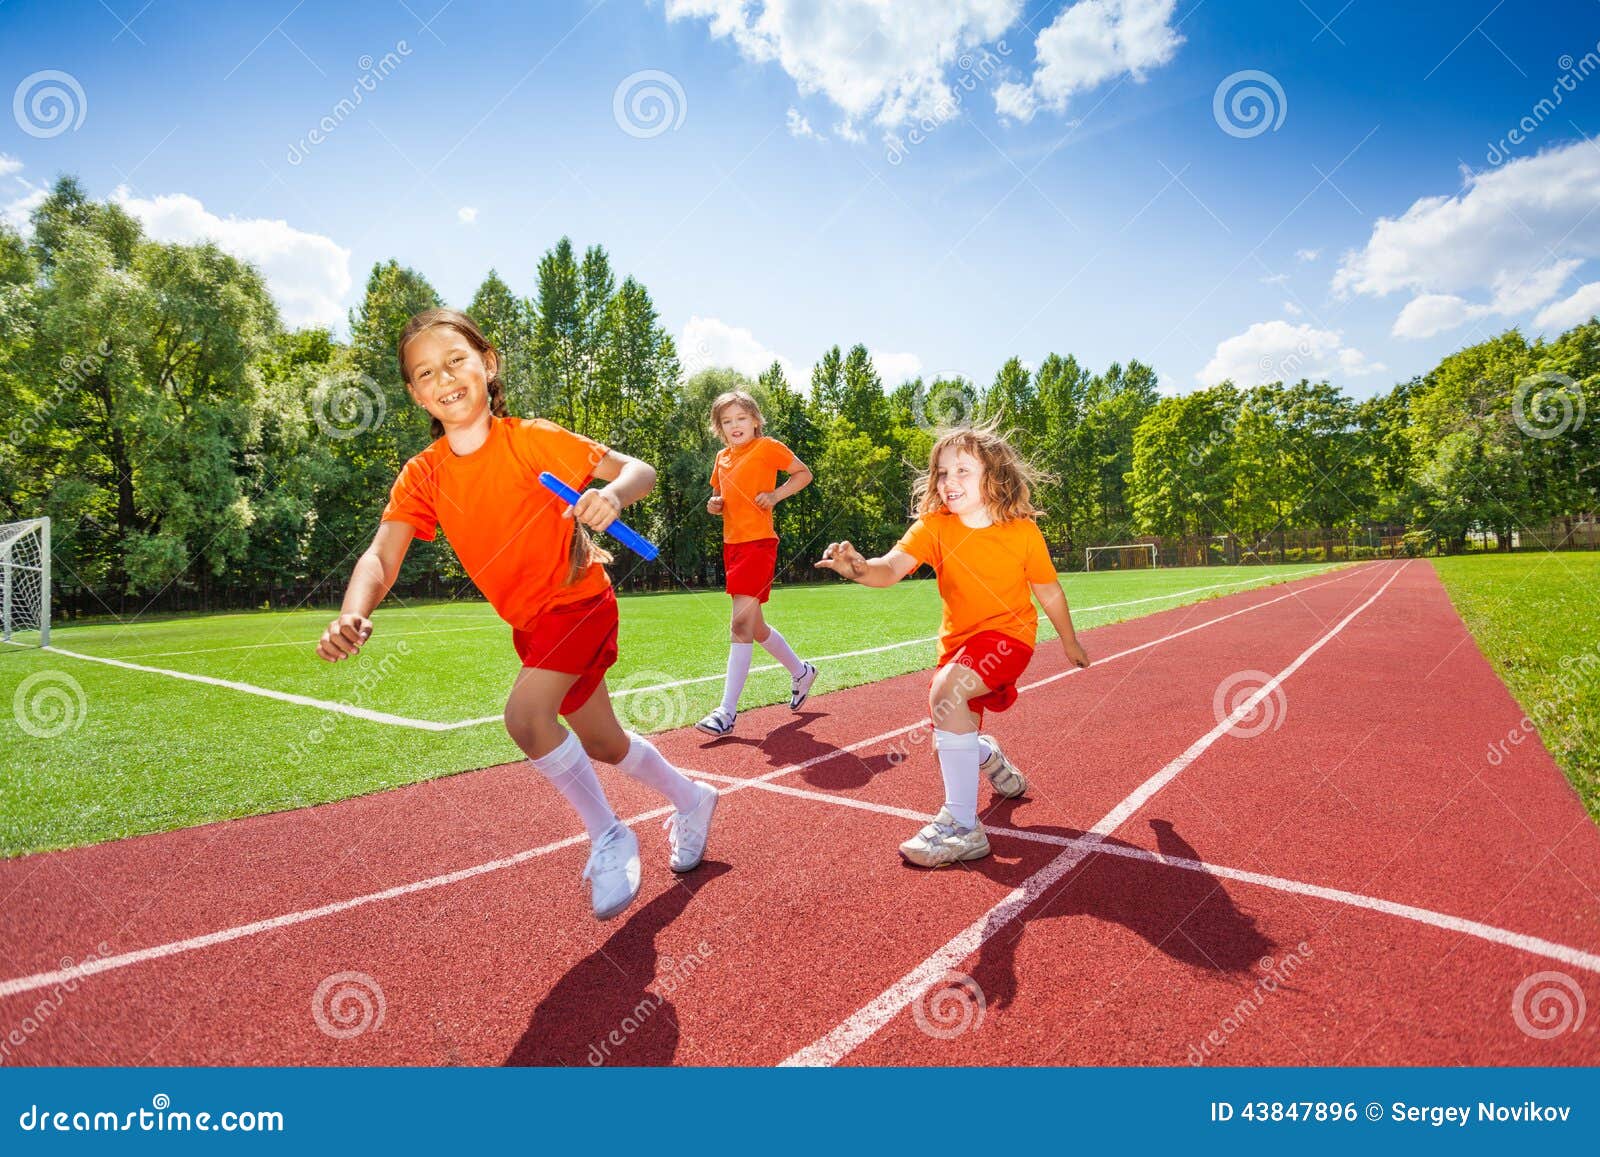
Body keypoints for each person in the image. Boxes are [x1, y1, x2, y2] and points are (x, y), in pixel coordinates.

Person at [316, 308, 717, 921]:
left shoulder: (533, 438)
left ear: (487, 363)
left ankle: (609, 834)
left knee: (526, 719)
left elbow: (642, 470)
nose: (444, 377)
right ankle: (692, 799)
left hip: (580, 605)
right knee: (604, 743)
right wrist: (353, 610)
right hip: (530, 625)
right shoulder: (423, 474)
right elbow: (382, 554)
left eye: (455, 360)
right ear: (414, 392)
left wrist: (610, 495)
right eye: (426, 372)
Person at [815, 419, 1091, 866]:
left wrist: (1070, 641)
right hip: (958, 646)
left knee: (946, 693)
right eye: (943, 472)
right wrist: (859, 568)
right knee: (953, 728)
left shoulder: (1021, 531)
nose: (949, 481)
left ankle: (963, 827)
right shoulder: (934, 527)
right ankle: (987, 754)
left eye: (963, 470)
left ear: (994, 475)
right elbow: (889, 568)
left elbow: (1049, 591)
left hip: (1009, 638)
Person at [696, 389, 817, 736]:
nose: (735, 426)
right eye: (727, 421)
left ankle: (726, 713)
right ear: (719, 427)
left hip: (758, 544)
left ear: (755, 421)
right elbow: (718, 496)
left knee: (739, 626)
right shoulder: (721, 458)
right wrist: (714, 504)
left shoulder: (767, 448)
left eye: (741, 419)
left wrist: (776, 495)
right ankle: (802, 672)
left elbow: (803, 473)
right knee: (755, 627)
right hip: (731, 546)